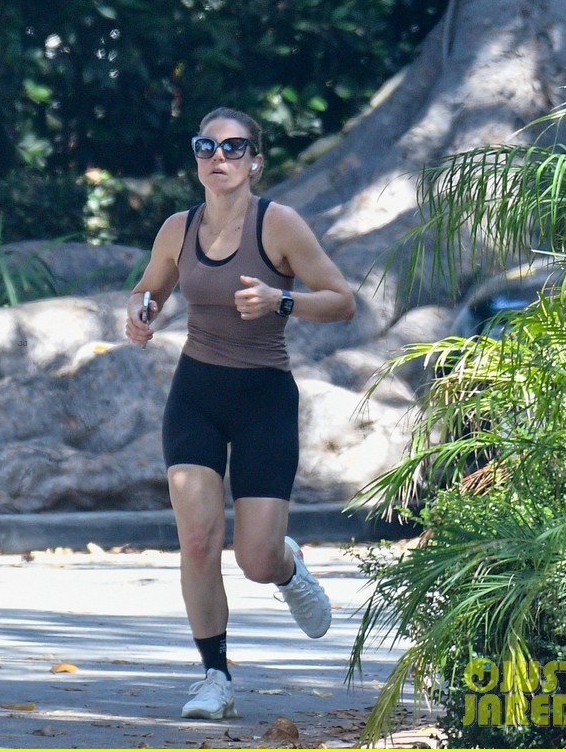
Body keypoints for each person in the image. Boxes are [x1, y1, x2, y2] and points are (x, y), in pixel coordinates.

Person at [124, 107, 355, 719]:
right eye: (207, 147)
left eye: (233, 148)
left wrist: (282, 300)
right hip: (196, 394)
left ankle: (288, 567)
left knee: (255, 558)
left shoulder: (279, 225)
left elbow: (342, 301)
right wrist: (141, 313)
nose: (218, 158)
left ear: (255, 161)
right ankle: (215, 677)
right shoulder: (177, 228)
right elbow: (150, 287)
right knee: (199, 540)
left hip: (264, 398)